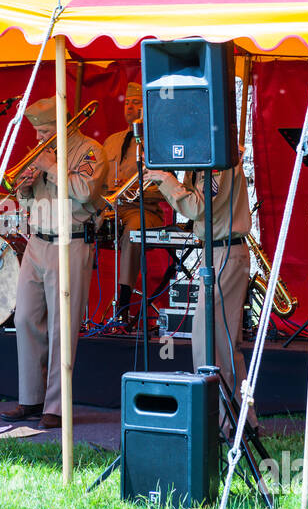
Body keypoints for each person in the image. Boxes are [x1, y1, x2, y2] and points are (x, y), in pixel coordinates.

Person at [1, 97, 106, 428]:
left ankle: (57, 407)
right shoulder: (44, 153)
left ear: (63, 126)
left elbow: (86, 191)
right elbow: (30, 198)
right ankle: (30, 398)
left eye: (44, 131)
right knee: (25, 320)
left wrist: (51, 167)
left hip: (70, 241)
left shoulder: (90, 150)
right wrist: (24, 189)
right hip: (37, 241)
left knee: (63, 327)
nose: (38, 139)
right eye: (36, 132)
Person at [143, 160, 258, 435]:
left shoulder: (216, 164)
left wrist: (164, 179)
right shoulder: (206, 161)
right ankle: (243, 421)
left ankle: (220, 422)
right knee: (224, 344)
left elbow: (197, 207)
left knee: (207, 340)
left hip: (224, 251)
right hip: (218, 249)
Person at [101, 82, 164, 325]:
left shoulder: (157, 143)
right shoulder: (111, 141)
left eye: (136, 102)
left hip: (144, 209)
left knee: (133, 231)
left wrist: (132, 191)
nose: (130, 106)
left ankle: (124, 303)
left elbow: (166, 190)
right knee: (79, 226)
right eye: (127, 102)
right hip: (112, 208)